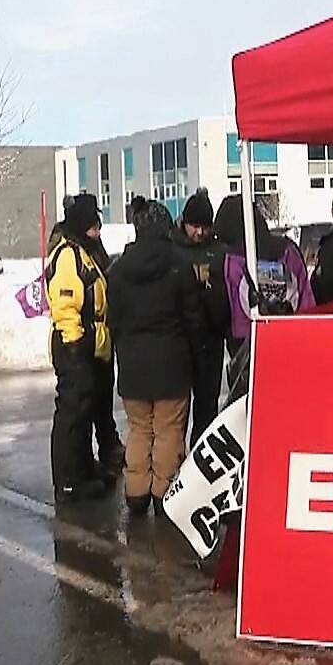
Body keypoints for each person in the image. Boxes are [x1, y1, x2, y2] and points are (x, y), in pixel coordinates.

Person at [107, 204, 206, 515]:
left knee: (139, 430)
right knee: (168, 431)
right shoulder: (179, 264)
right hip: (172, 366)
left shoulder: (120, 269)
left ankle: (136, 493)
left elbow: (115, 320)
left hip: (134, 368)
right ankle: (164, 494)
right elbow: (193, 318)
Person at [46, 193, 113, 503]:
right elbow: (65, 305)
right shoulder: (68, 257)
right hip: (74, 344)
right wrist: (75, 347)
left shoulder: (84, 253)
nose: (97, 233)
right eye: (93, 227)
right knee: (72, 413)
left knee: (85, 410)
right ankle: (69, 481)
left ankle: (84, 469)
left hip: (87, 344)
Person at [215, 194, 314, 354]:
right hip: (291, 335)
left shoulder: (230, 259)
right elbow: (306, 298)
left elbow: (222, 308)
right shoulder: (288, 250)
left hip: (246, 341)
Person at [171, 190, 229, 441]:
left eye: (204, 227)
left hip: (211, 339)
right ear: (184, 223)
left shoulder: (219, 250)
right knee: (177, 410)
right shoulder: (171, 250)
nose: (200, 233)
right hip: (181, 339)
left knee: (207, 406)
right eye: (195, 226)